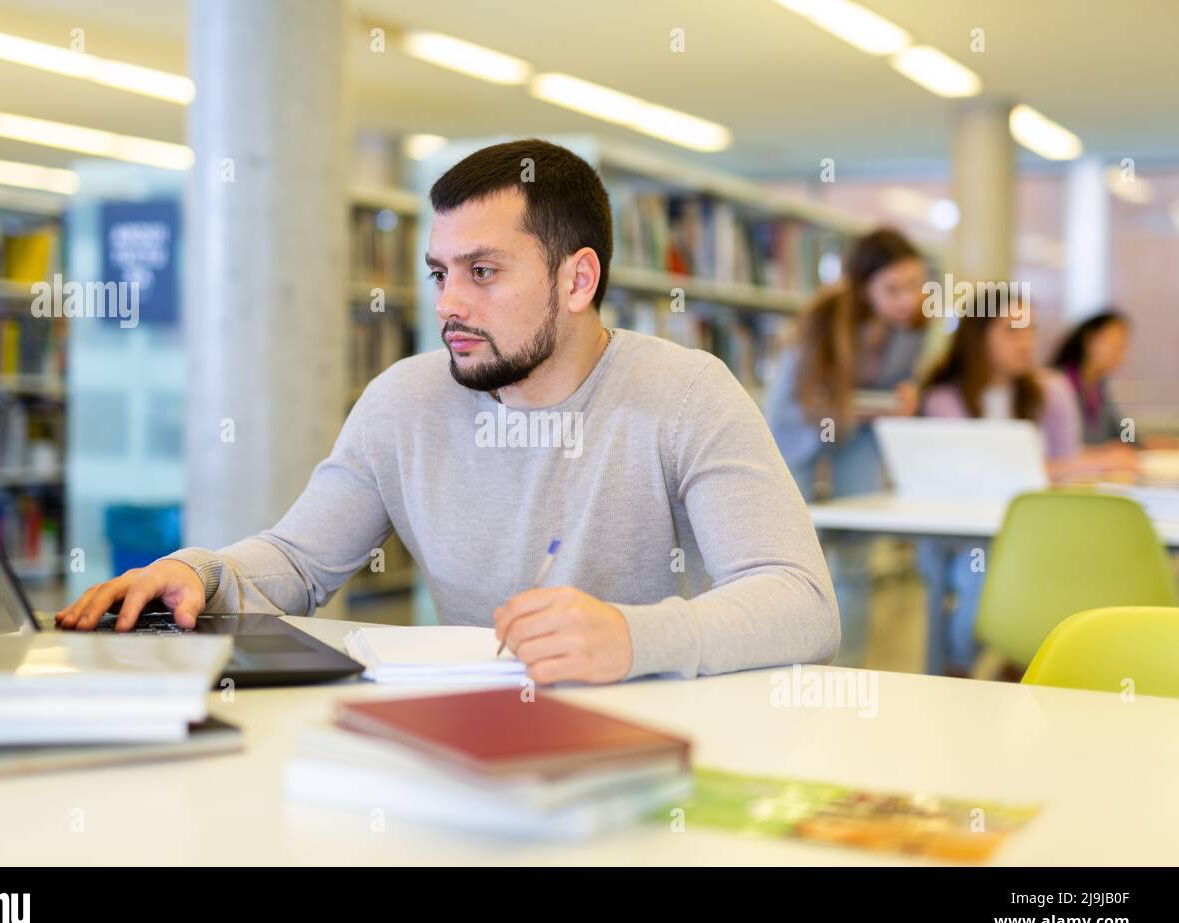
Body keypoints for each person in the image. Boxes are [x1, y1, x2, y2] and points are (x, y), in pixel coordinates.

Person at [59, 138, 839, 684]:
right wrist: (196, 574)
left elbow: (800, 602)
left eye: (484, 271)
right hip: (475, 736)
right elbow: (297, 563)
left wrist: (634, 636)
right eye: (440, 273)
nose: (449, 304)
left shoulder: (688, 393)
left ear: (577, 280)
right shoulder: (405, 400)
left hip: (661, 739)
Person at [764, 228, 928, 666]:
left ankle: (846, 669)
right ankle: (783, 664)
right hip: (797, 437)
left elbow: (897, 386)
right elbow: (804, 404)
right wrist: (864, 407)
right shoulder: (823, 320)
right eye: (893, 289)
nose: (907, 299)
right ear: (863, 287)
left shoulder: (912, 327)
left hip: (857, 439)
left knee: (857, 558)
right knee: (791, 559)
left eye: (914, 285)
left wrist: (906, 395)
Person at [916, 292, 1098, 674]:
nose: (1027, 341)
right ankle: (961, 670)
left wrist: (1071, 466)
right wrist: (1077, 464)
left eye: (1031, 329)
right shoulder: (943, 397)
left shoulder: (1052, 391)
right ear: (978, 336)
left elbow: (1069, 465)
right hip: (968, 532)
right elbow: (974, 471)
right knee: (979, 571)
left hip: (1039, 528)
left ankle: (1019, 666)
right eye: (1012, 331)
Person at [1050, 310, 1139, 470]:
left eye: (1123, 347)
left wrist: (1145, 443)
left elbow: (1122, 430)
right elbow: (1059, 450)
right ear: (1089, 340)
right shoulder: (1058, 385)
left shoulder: (1099, 387)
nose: (1120, 355)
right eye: (1115, 345)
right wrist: (1103, 454)